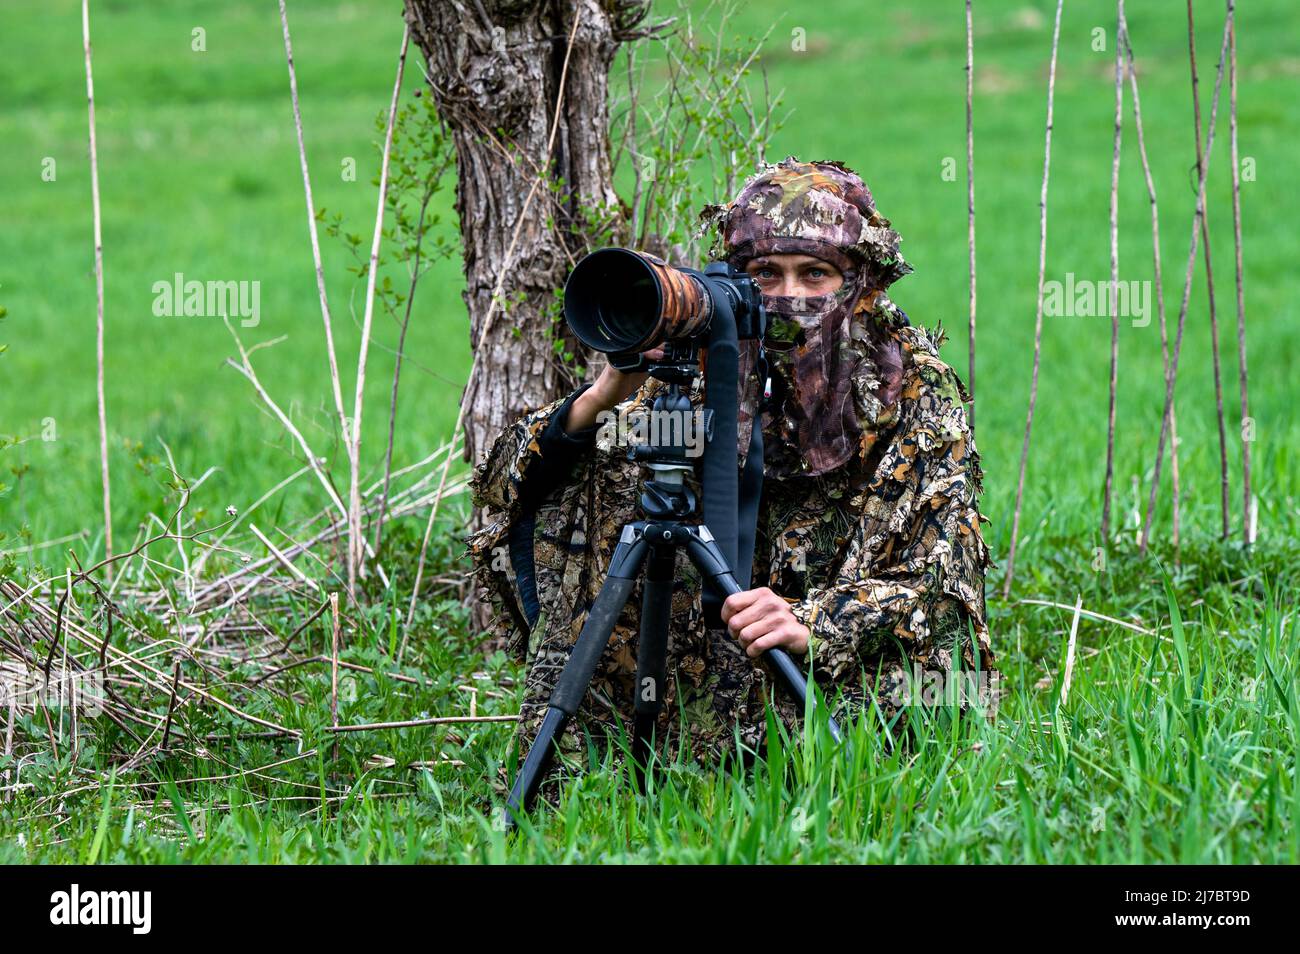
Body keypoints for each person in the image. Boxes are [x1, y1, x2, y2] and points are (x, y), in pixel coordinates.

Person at [467, 157, 994, 792]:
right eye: (764, 274)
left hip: (835, 658)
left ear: (862, 286)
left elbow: (940, 575)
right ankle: (595, 760)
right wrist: (603, 396)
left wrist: (814, 622)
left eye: (816, 274)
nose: (788, 296)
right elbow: (505, 493)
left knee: (878, 721)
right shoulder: (703, 372)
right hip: (719, 656)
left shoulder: (909, 388)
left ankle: (834, 776)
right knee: (595, 478)